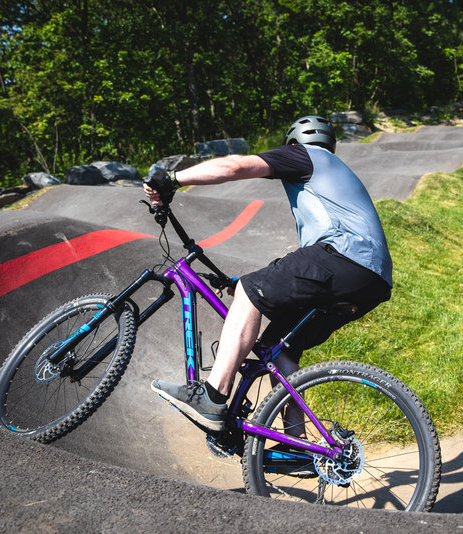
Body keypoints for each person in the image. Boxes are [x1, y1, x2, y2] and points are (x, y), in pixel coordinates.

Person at [144, 115, 392, 434]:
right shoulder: (334, 175)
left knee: (252, 291)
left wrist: (173, 179)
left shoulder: (305, 155)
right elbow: (304, 271)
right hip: (371, 280)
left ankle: (212, 397)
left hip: (345, 256)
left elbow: (235, 165)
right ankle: (295, 439)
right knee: (281, 348)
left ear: (292, 144)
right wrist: (238, 285)